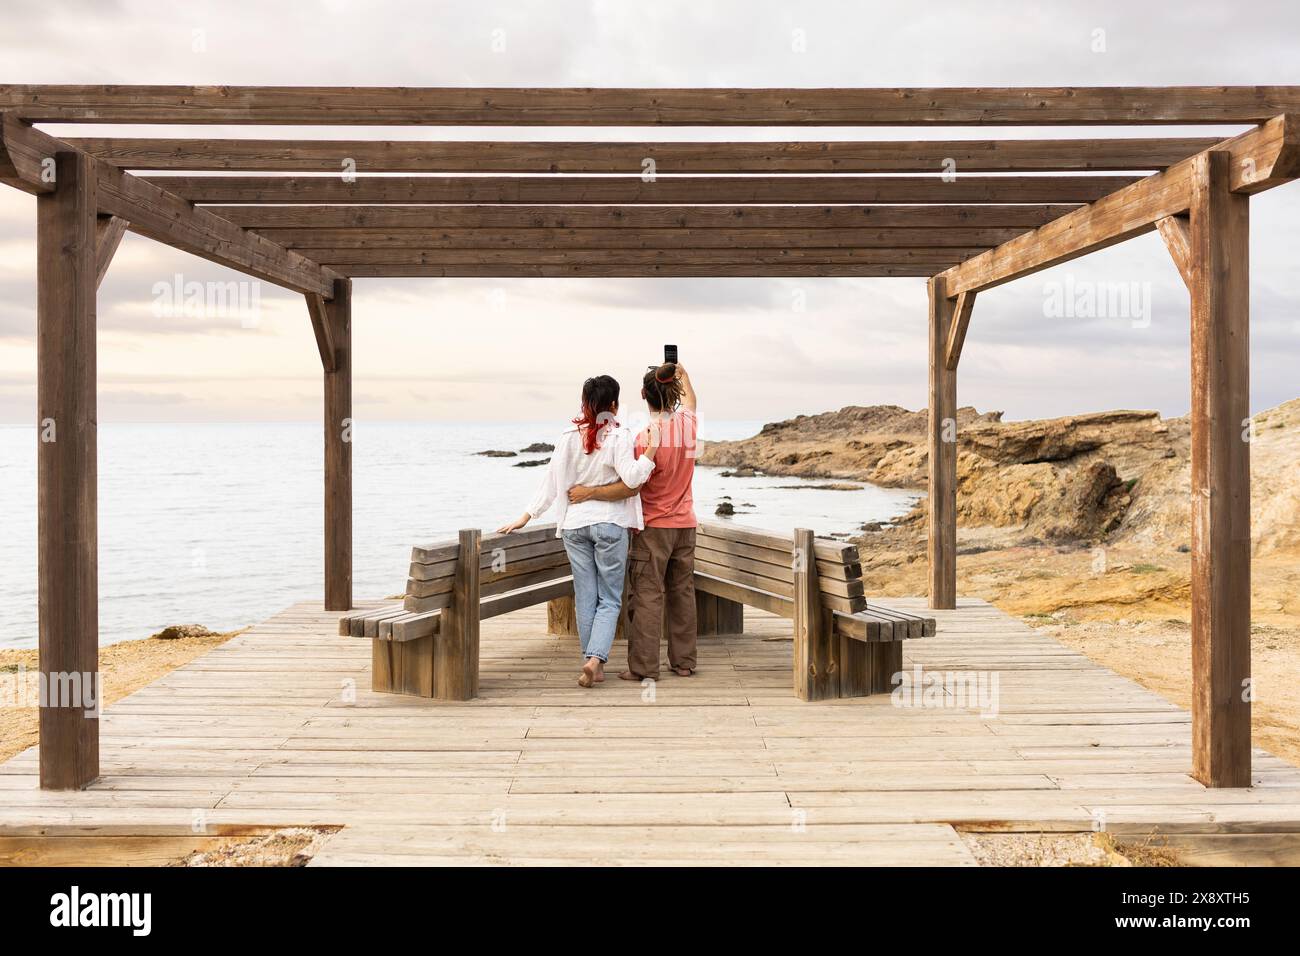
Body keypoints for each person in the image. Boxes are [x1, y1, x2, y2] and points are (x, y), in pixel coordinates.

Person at [497, 375, 660, 688]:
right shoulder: (619, 435)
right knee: (610, 598)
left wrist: (527, 515)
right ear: (613, 404)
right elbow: (632, 479)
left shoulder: (567, 436)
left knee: (586, 597)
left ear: (585, 403)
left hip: (573, 526)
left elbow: (551, 482)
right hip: (610, 524)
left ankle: (593, 665)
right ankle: (595, 659)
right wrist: (650, 451)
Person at [568, 362, 698, 680]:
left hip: (654, 527)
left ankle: (643, 668)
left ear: (643, 395)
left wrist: (588, 492)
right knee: (682, 591)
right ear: (674, 393)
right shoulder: (689, 425)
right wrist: (682, 373)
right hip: (686, 525)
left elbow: (630, 486)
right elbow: (692, 402)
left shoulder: (644, 438)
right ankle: (683, 663)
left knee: (647, 595)